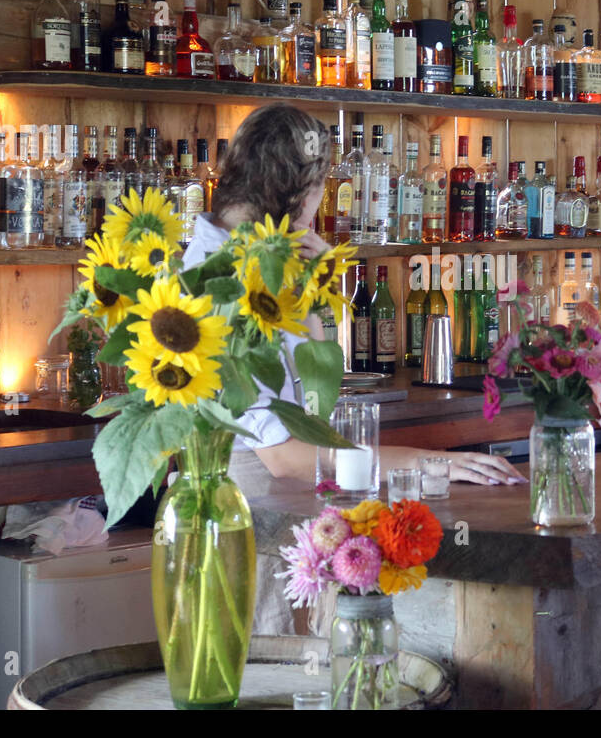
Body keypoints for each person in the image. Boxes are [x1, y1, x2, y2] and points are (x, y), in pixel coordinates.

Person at [184, 103, 525, 486]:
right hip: (244, 505)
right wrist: (427, 463)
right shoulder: (222, 282)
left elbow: (314, 393)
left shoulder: (262, 258)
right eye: (321, 187)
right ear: (297, 189)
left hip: (294, 495)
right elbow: (283, 457)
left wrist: (314, 287)